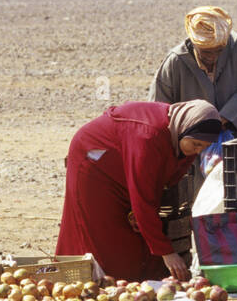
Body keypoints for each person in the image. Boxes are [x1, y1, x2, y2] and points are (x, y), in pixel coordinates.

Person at [56, 100, 223, 282]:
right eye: (196, 144)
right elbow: (143, 198)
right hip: (95, 162)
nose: (198, 151)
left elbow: (159, 181)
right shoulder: (148, 137)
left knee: (135, 231)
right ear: (184, 130)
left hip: (124, 165)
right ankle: (95, 283)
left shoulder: (180, 133)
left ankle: (137, 283)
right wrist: (167, 253)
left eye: (204, 147)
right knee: (104, 232)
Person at [149, 5, 237, 215]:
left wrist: (224, 118)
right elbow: (158, 112)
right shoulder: (175, 61)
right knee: (200, 205)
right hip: (192, 151)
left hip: (235, 142)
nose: (212, 57)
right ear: (194, 43)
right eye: (206, 52)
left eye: (218, 51)